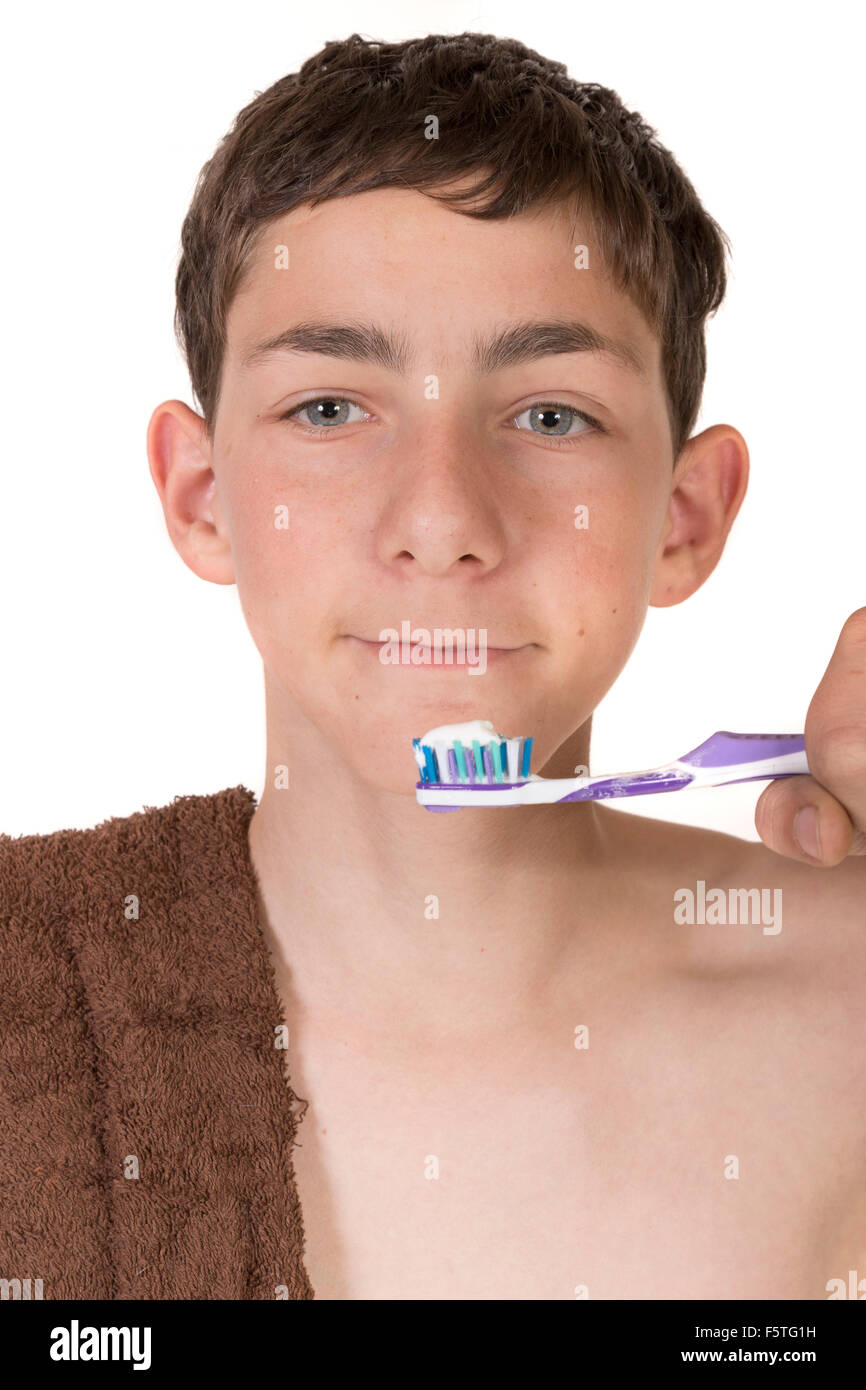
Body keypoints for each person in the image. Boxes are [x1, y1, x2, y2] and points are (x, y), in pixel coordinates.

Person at [2, 31, 864, 1302]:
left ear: (683, 516)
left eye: (550, 414)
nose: (442, 515)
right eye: (330, 408)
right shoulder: (33, 996)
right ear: (199, 497)